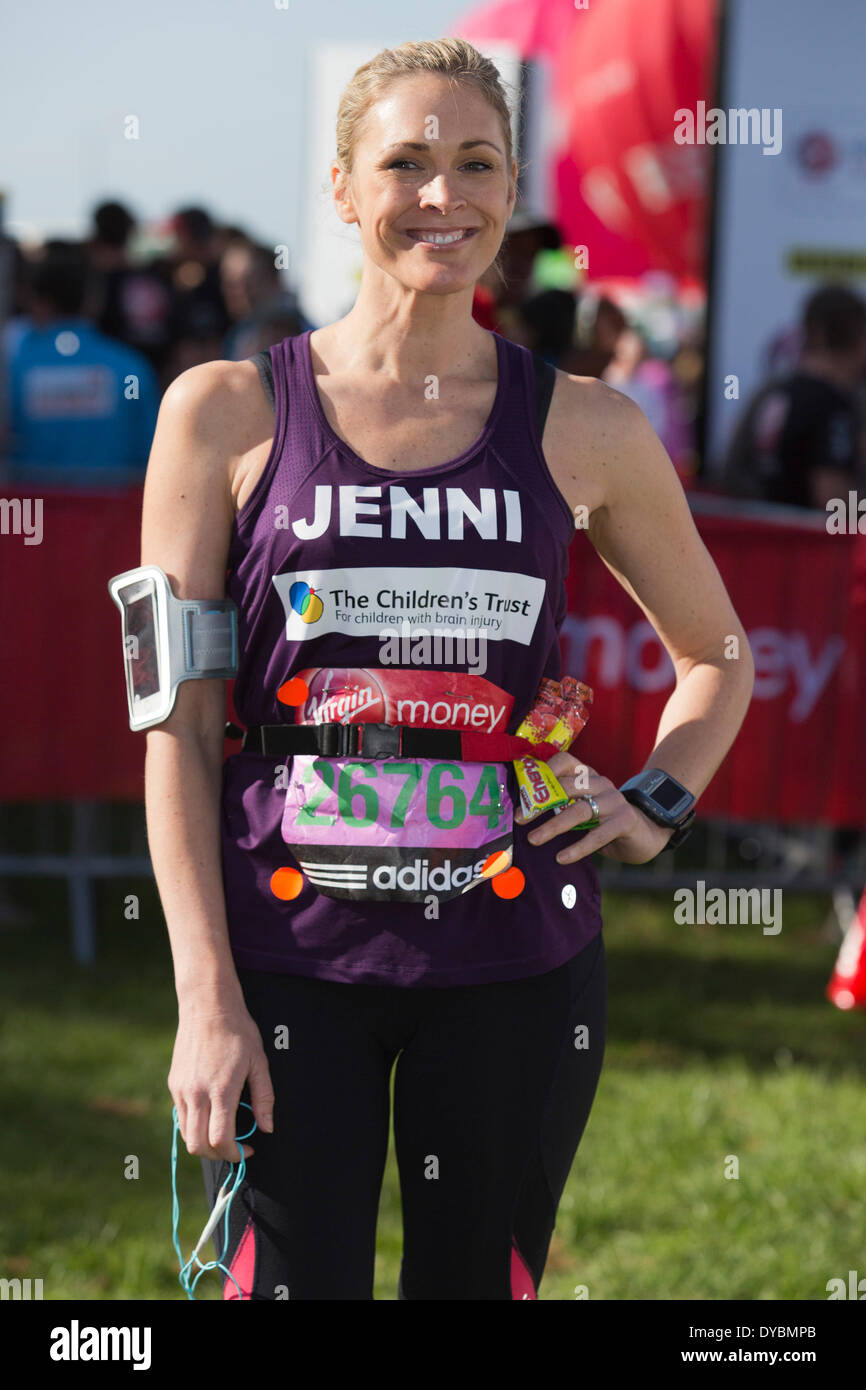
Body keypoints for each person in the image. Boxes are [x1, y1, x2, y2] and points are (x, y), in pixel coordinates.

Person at [140, 37, 753, 1299]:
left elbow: (717, 655)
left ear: (512, 188)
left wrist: (653, 804)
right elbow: (180, 729)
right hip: (286, 952)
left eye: (476, 163)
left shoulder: (587, 424)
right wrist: (204, 996)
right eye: (404, 163)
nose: (442, 196)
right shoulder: (224, 411)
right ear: (341, 187)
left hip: (516, 960)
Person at [7, 244, 159, 480]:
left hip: (29, 503)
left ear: (39, 301)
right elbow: (149, 452)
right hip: (113, 501)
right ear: (92, 300)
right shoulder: (131, 371)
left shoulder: (12, 370)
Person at [721, 284, 866, 510]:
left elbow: (730, 471)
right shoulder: (833, 405)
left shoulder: (772, 391)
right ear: (858, 339)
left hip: (758, 525)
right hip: (807, 530)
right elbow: (833, 496)